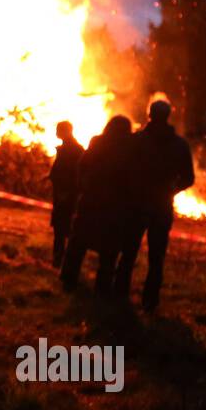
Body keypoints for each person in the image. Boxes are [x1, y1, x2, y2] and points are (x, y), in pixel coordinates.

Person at [113, 98, 194, 313]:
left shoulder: (136, 140)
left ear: (150, 114)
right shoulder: (179, 145)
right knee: (157, 256)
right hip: (161, 206)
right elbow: (188, 178)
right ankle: (150, 301)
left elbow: (121, 169)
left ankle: (119, 294)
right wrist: (170, 191)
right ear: (168, 116)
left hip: (136, 204)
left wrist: (129, 189)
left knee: (128, 251)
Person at [60, 115, 133, 296]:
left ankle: (68, 278)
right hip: (115, 207)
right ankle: (102, 287)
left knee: (78, 243)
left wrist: (83, 186)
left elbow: (82, 166)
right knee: (109, 250)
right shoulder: (131, 148)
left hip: (91, 201)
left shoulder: (98, 142)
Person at [49, 121, 85, 267]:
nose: (56, 132)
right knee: (61, 227)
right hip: (63, 193)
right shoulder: (68, 148)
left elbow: (74, 174)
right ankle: (60, 260)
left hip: (67, 194)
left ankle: (61, 261)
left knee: (64, 228)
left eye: (58, 129)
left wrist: (67, 192)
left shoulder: (74, 150)